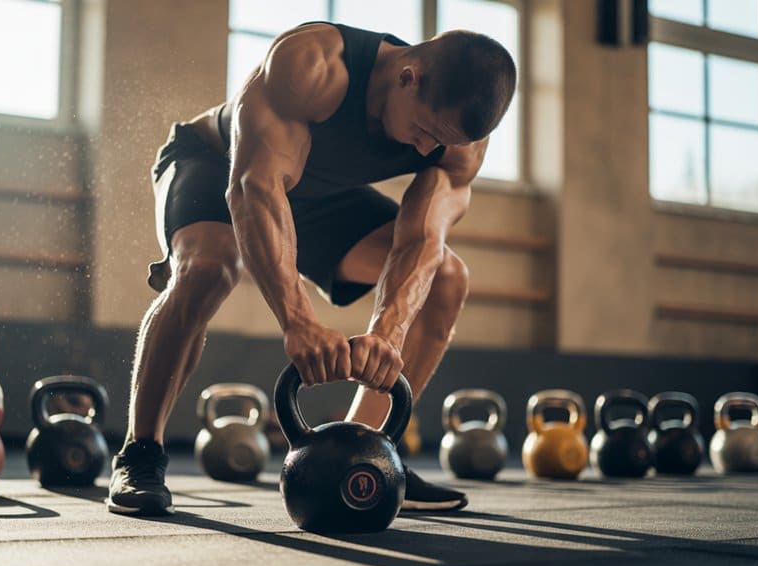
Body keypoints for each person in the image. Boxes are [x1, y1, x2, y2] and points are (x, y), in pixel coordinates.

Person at [106, 21, 516, 516]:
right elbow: (253, 190)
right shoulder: (313, 65)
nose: (426, 149)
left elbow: (423, 240)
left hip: (320, 197)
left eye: (439, 141)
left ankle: (367, 452)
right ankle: (140, 453)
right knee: (208, 268)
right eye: (425, 131)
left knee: (448, 279)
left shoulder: (457, 143)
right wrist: (297, 320)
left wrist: (387, 335)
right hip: (217, 163)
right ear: (408, 76)